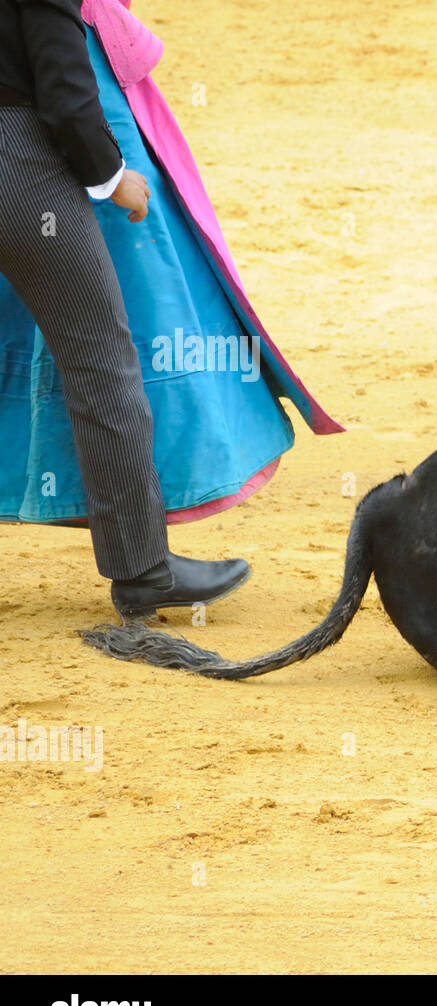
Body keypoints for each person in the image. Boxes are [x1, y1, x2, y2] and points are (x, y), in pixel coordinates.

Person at [0, 0, 248, 618]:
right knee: (100, 362)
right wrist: (111, 176)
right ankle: (142, 570)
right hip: (19, 165)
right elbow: (64, 90)